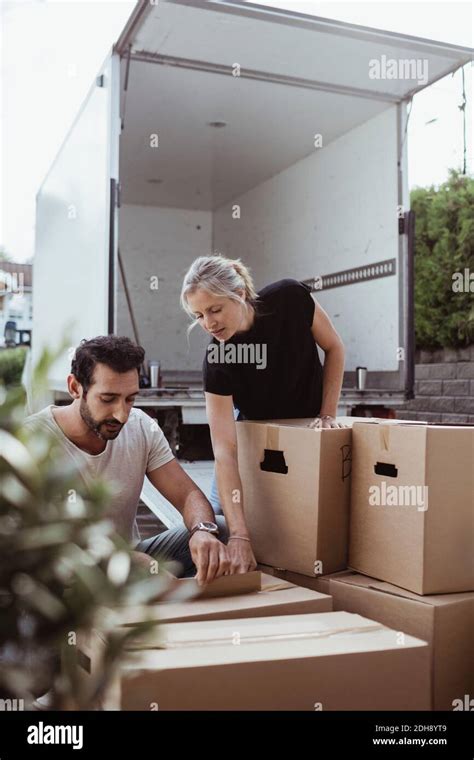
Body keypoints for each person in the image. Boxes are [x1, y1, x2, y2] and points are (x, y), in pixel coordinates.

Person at [180, 255, 346, 574]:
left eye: (215, 309)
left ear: (240, 293)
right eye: (199, 315)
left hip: (305, 435)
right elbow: (224, 450)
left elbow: (335, 347)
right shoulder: (218, 357)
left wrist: (327, 414)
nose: (209, 324)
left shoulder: (290, 298)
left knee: (308, 526)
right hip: (257, 443)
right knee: (219, 525)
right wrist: (240, 535)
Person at [23, 335, 231, 585]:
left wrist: (202, 531)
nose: (121, 414)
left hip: (133, 559)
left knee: (219, 529)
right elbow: (28, 544)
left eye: (130, 399)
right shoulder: (31, 441)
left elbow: (187, 495)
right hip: (65, 570)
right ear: (75, 387)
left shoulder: (141, 426)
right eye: (108, 399)